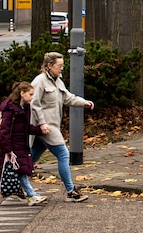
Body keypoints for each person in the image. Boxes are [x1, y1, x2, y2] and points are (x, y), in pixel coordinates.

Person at [30, 51, 94, 202]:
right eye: (59, 66)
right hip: (46, 127)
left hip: (51, 126)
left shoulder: (57, 81)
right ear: (49, 66)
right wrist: (42, 123)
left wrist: (83, 102)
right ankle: (71, 191)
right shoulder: (39, 81)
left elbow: (67, 98)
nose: (62, 69)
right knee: (63, 155)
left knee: (31, 158)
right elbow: (34, 104)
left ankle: (13, 180)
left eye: (62, 66)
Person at [0, 81, 46, 206]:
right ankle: (31, 196)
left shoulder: (23, 108)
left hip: (19, 145)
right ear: (22, 93)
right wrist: (8, 149)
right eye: (30, 94)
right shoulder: (11, 109)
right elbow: (5, 131)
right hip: (13, 146)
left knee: (3, 170)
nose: (32, 97)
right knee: (19, 170)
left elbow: (24, 127)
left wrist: (39, 130)